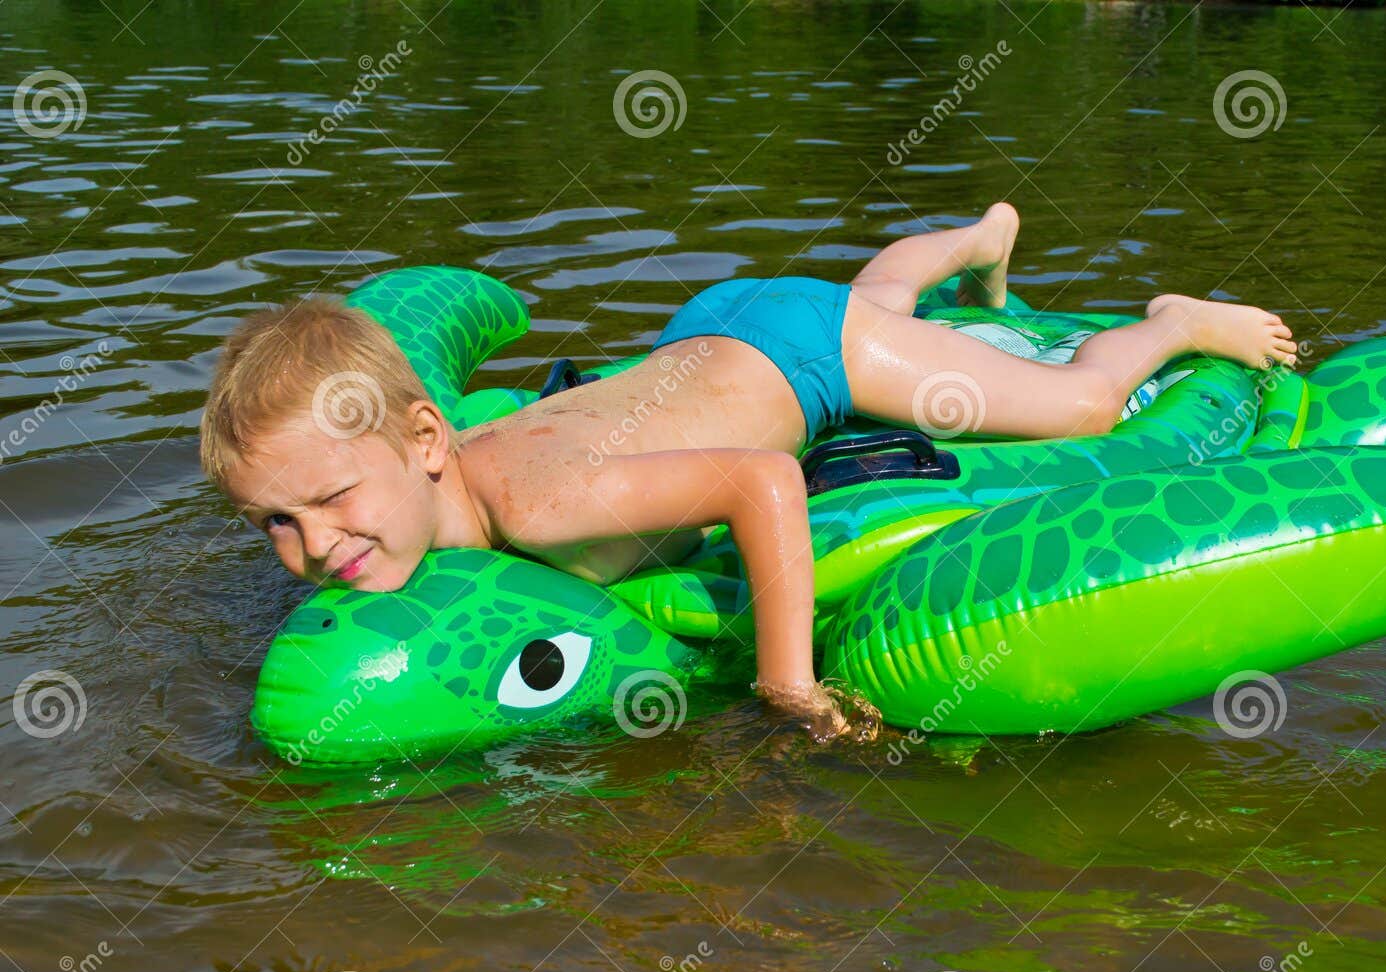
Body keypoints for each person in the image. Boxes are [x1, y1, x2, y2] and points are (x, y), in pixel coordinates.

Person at [199, 202, 1296, 737]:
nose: (310, 548)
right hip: (704, 334)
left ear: (429, 441)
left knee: (1080, 403)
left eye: (331, 500)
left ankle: (1170, 321)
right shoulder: (431, 485)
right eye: (273, 523)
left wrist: (787, 683)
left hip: (798, 351)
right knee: (883, 301)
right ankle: (976, 240)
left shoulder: (537, 501)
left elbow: (763, 485)